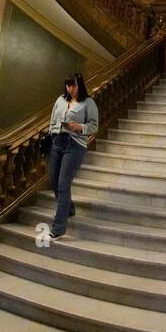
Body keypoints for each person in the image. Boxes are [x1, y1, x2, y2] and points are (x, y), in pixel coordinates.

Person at [45, 73, 98, 239]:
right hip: (57, 141)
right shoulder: (60, 100)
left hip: (74, 145)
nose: (70, 89)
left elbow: (94, 125)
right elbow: (53, 119)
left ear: (80, 85)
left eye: (73, 85)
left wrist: (79, 127)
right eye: (68, 85)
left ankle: (58, 227)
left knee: (63, 185)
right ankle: (69, 207)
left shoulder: (88, 103)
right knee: (53, 180)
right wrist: (52, 133)